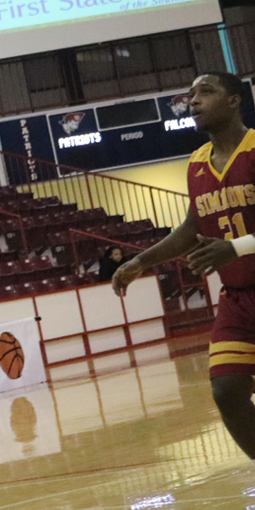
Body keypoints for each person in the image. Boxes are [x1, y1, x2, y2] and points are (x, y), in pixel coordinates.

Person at [112, 71, 255, 459]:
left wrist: (236, 248)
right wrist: (141, 260)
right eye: (190, 94)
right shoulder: (196, 164)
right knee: (227, 390)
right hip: (239, 299)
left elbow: (227, 245)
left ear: (234, 100)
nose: (193, 101)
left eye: (206, 92)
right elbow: (193, 227)